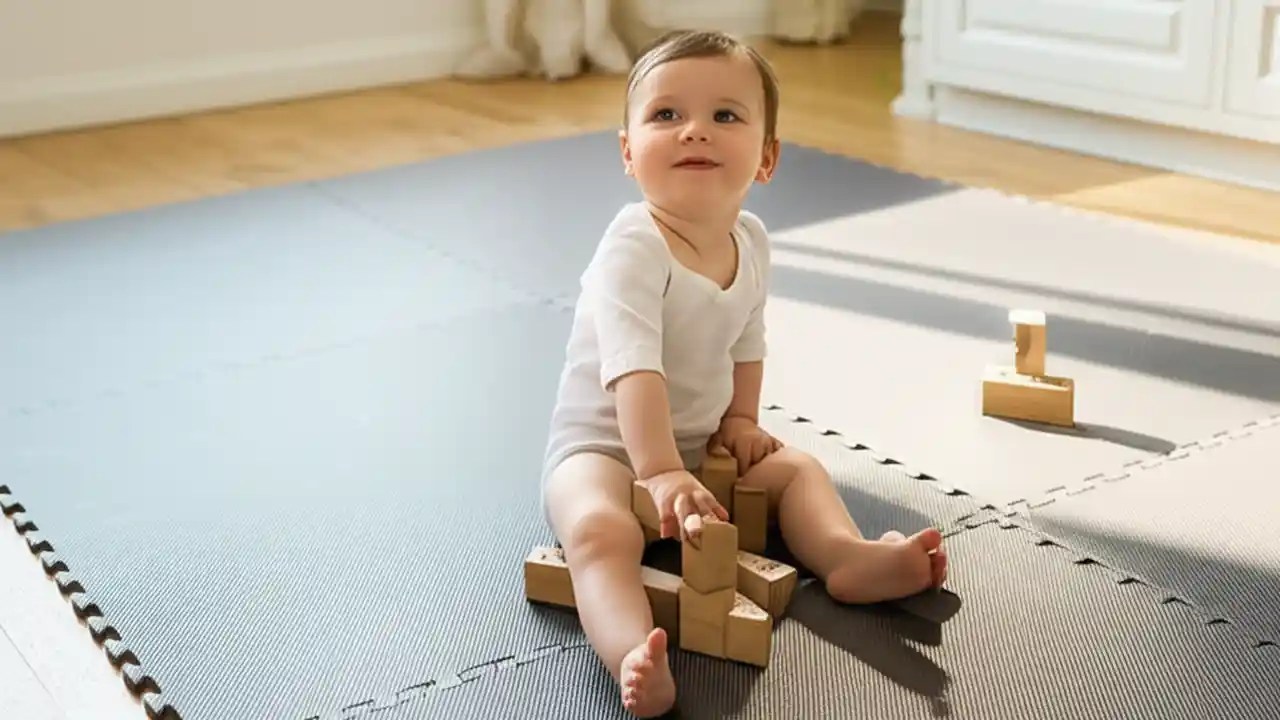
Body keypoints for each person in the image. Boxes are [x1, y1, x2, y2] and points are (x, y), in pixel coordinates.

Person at [540, 29, 948, 718]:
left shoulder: (751, 241)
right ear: (628, 151)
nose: (695, 130)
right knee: (597, 532)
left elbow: (746, 343)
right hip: (603, 446)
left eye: (725, 115)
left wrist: (741, 423)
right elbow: (632, 369)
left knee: (798, 470)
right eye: (666, 115)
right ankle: (632, 653)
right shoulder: (632, 246)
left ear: (767, 157)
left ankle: (846, 557)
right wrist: (661, 471)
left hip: (698, 445)